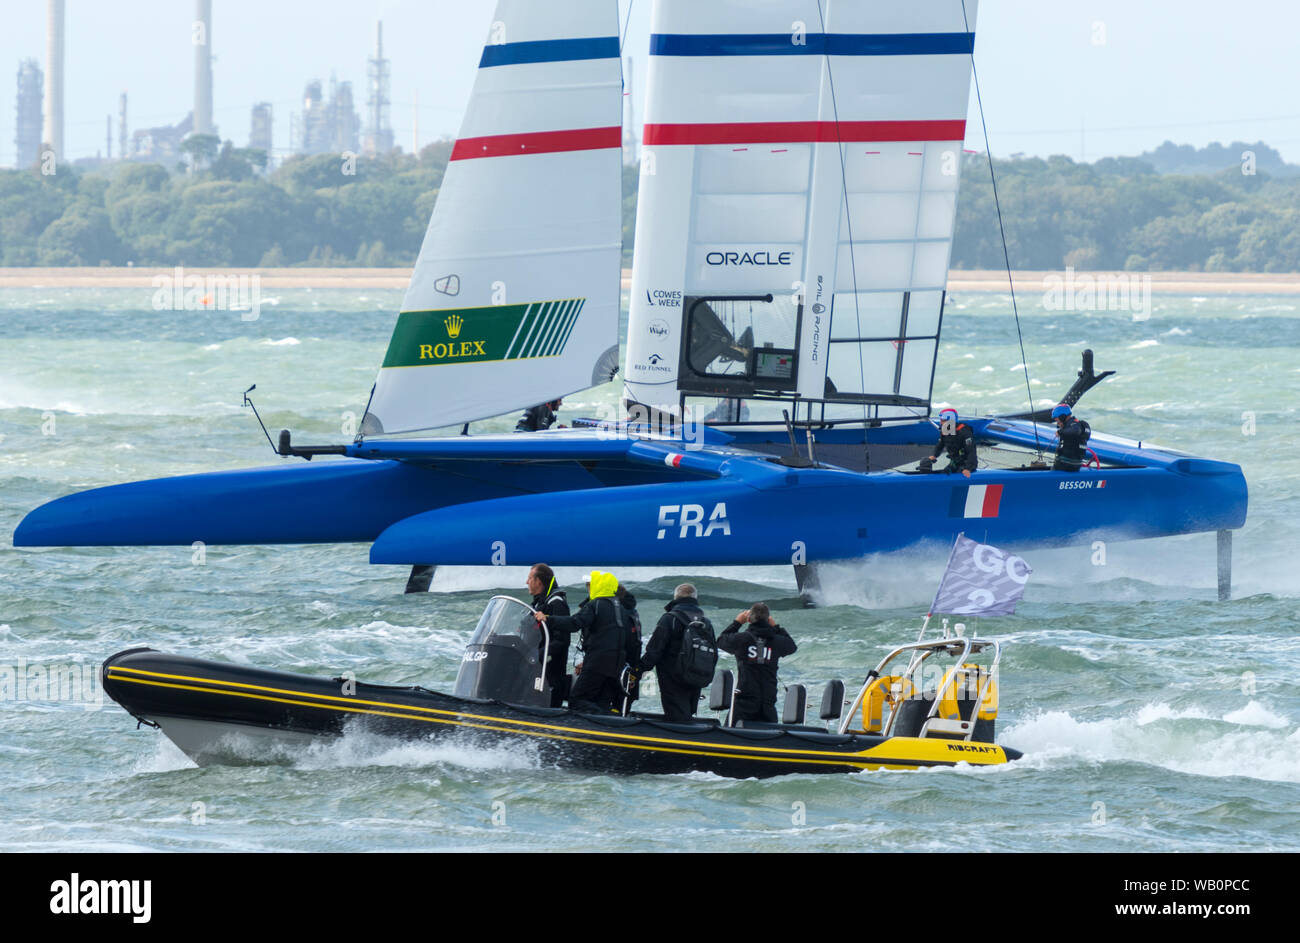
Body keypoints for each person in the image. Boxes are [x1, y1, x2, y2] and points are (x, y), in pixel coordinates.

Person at [535, 571, 630, 714]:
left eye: (590, 585)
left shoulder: (595, 605)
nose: (588, 589)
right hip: (616, 664)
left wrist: (548, 618)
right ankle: (610, 726)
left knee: (576, 700)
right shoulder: (621, 608)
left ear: (599, 585)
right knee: (600, 700)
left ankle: (607, 718)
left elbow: (574, 623)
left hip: (598, 662)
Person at [638, 583, 715, 721]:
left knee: (677, 717)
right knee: (688, 714)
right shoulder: (706, 623)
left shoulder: (670, 618)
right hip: (696, 675)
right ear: (695, 598)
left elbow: (654, 650)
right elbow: (713, 653)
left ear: (675, 598)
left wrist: (638, 670)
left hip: (672, 677)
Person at [716, 603, 797, 724]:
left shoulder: (741, 639)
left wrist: (737, 623)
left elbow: (721, 640)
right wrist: (776, 627)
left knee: (729, 733)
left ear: (748, 619)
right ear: (768, 619)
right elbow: (792, 646)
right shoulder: (777, 641)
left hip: (745, 700)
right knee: (769, 738)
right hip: (767, 702)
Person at [526, 563, 570, 708]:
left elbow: (562, 641)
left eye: (530, 578)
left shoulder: (556, 603)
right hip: (536, 669)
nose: (527, 582)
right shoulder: (539, 603)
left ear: (538, 581)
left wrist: (539, 654)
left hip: (550, 674)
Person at [920, 407, 977, 477]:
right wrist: (934, 455)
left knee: (956, 475)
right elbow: (940, 445)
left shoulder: (964, 432)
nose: (941, 423)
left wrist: (968, 469)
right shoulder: (946, 431)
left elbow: (971, 452)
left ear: (951, 420)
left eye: (943, 420)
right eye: (941, 420)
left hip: (966, 465)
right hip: (955, 463)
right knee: (942, 475)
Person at [1051, 403, 1090, 472]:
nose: (1057, 423)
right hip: (1077, 464)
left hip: (1066, 464)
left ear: (1062, 417)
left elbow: (1076, 431)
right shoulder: (1078, 424)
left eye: (1057, 420)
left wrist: (1060, 432)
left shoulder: (1073, 424)